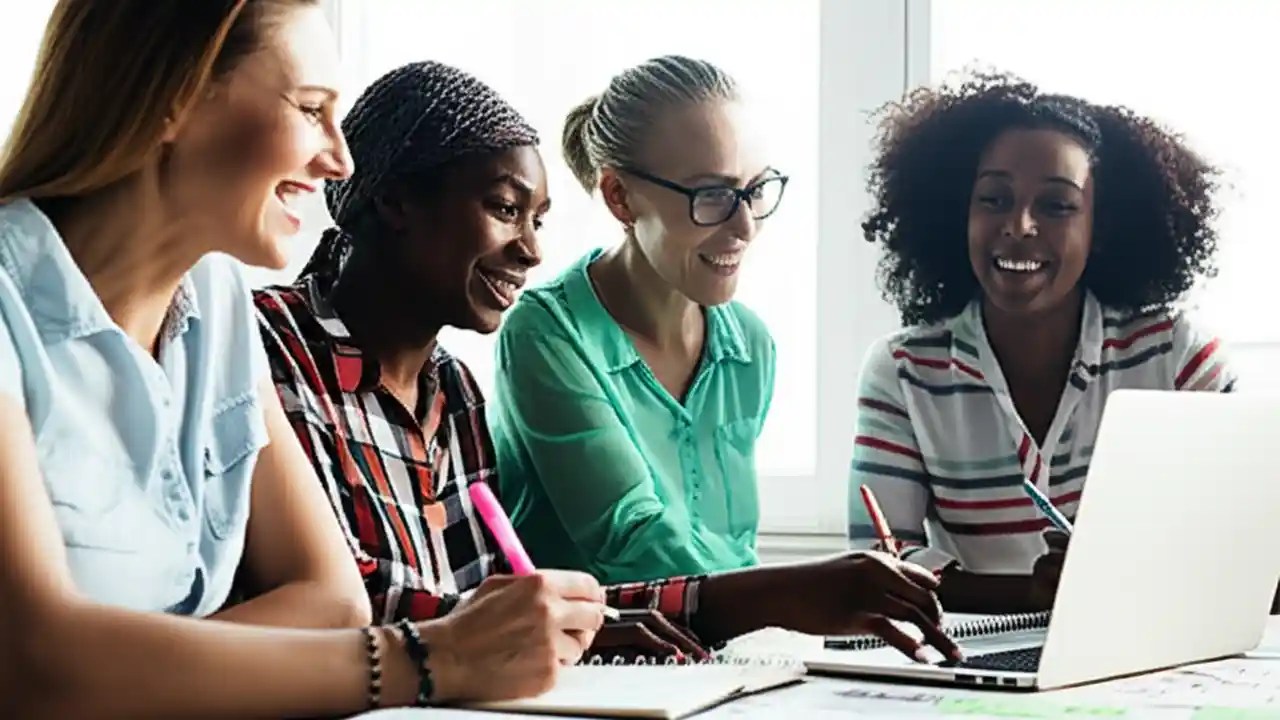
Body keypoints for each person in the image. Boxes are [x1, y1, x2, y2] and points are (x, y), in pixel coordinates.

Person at [0, 2, 608, 717]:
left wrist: (124, 671)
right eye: (311, 108)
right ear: (172, 99)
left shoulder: (218, 301)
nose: (341, 159)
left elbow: (332, 600)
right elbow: (35, 665)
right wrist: (433, 657)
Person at [256, 58, 962, 665]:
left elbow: (487, 598)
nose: (531, 252)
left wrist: (599, 626)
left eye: (538, 221)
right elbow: (357, 600)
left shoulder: (452, 392)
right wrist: (774, 594)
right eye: (505, 209)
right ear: (393, 201)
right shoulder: (271, 348)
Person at [848, 71, 1238, 614]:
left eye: (1057, 206)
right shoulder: (903, 372)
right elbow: (879, 565)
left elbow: (1247, 546)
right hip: (973, 665)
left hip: (1149, 662)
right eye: (994, 198)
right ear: (958, 214)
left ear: (1100, 227)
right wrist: (1036, 593)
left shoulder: (1177, 360)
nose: (1021, 225)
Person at [490, 55, 782, 586]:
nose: (744, 225)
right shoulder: (548, 335)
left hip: (723, 650)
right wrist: (806, 594)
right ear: (620, 197)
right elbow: (629, 542)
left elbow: (734, 546)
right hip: (591, 659)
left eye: (755, 189)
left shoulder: (751, 346)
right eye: (711, 195)